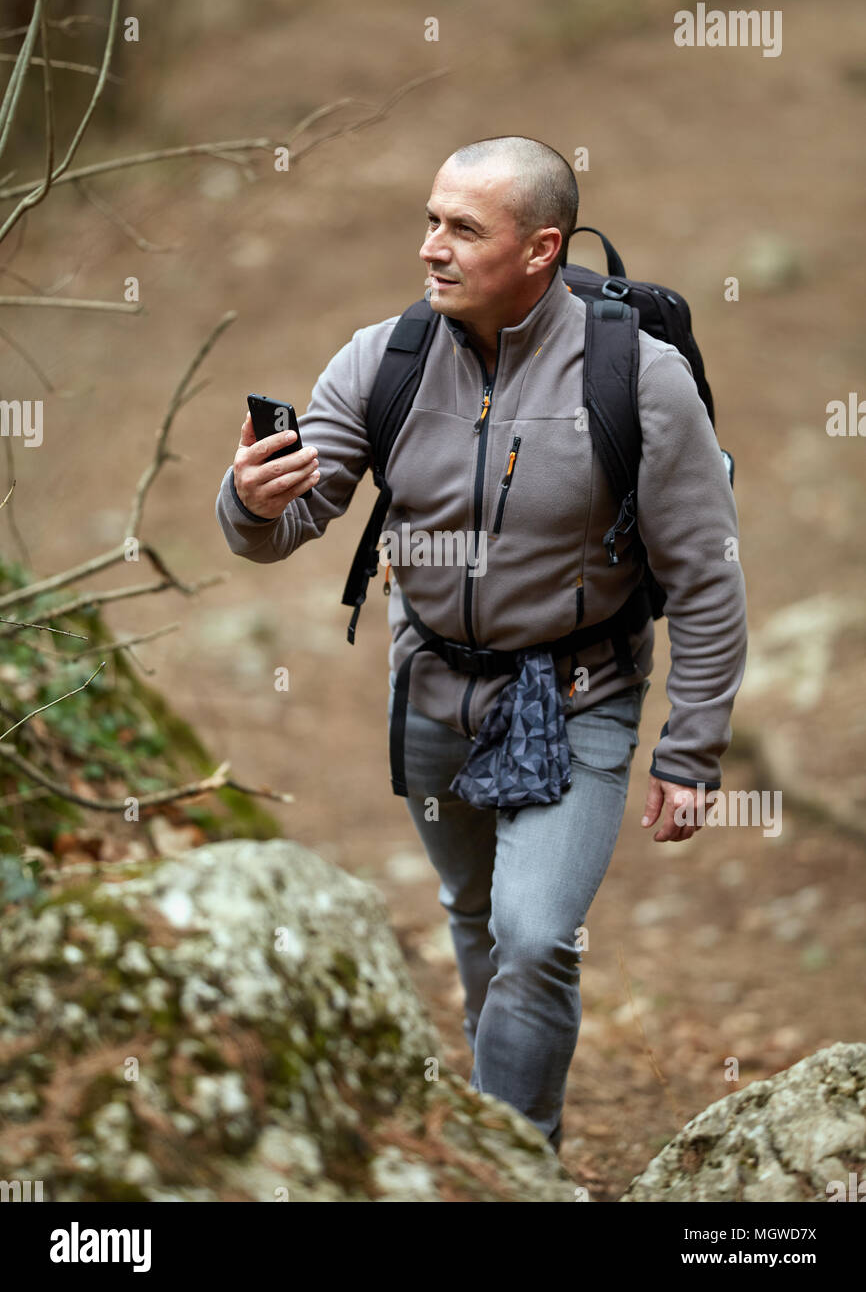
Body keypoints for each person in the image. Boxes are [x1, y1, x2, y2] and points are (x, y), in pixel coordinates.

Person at [215, 135, 748, 1155]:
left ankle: (515, 1158)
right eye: (429, 221)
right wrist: (244, 502)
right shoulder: (385, 359)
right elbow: (283, 526)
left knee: (534, 934)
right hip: (429, 691)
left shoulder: (635, 375)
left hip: (577, 688)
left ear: (540, 249)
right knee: (473, 915)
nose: (431, 248)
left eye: (462, 228)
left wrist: (688, 752)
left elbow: (705, 572)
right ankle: (496, 1129)